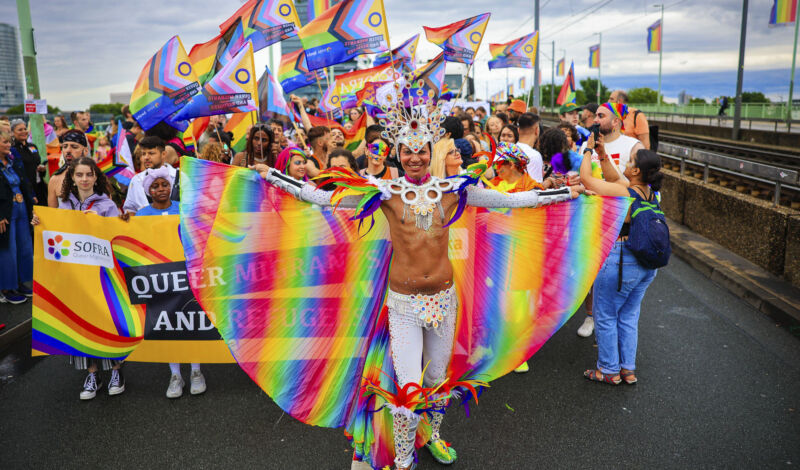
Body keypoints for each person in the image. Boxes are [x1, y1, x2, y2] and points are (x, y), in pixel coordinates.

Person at [255, 98, 582, 470]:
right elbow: (324, 197)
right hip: (404, 305)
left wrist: (563, 193)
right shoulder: (385, 192)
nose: (415, 158)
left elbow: (512, 199)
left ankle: (434, 435)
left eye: (421, 151)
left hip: (444, 300)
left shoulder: (454, 189)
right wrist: (272, 176)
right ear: (398, 154)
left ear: (431, 152)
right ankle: (404, 458)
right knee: (409, 387)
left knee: (438, 379)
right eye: (407, 151)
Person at [32, 156, 125, 399]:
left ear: (96, 177)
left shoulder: (107, 205)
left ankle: (116, 370)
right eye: (79, 175)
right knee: (81, 323)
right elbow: (54, 232)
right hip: (74, 274)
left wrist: (104, 224)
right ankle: (92, 373)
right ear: (72, 178)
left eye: (89, 174)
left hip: (101, 274)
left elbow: (118, 237)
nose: (84, 179)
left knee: (107, 320)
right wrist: (40, 223)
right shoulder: (65, 204)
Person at [579, 139, 663, 385]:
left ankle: (608, 370)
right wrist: (603, 154)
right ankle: (627, 369)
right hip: (646, 265)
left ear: (636, 171)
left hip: (622, 259)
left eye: (631, 161)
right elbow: (614, 178)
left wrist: (587, 150)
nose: (626, 162)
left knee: (605, 316)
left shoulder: (625, 193)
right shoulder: (648, 193)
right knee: (628, 316)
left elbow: (586, 179)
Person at [135, 167, 208, 398]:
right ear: (149, 191)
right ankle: (175, 375)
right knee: (167, 325)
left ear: (171, 186)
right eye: (155, 186)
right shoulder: (141, 215)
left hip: (186, 274)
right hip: (159, 277)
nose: (161, 189)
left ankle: (196, 370)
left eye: (164, 185)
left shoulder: (184, 209)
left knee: (191, 321)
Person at [0, 129, 34, 304]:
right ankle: (6, 288)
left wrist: (31, 202)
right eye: (5, 142)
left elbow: (24, 181)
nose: (9, 145)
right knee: (8, 250)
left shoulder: (12, 160)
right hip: (5, 212)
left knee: (24, 246)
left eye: (9, 142)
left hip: (21, 208)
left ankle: (19, 282)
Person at [123, 136, 178, 214]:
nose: (146, 157)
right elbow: (130, 210)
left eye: (151, 153)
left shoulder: (180, 177)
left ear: (163, 154)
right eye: (143, 154)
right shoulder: (136, 180)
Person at [591, 102, 644, 172]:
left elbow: (639, 177)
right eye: (596, 116)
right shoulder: (587, 145)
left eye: (601, 116)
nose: (595, 120)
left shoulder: (633, 147)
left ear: (615, 121)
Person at [48, 130, 89, 208]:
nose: (68, 150)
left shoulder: (96, 176)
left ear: (85, 151)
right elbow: (52, 212)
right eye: (65, 146)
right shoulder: (55, 179)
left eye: (74, 147)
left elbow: (107, 210)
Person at [10, 119, 46, 205]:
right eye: (20, 130)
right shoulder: (12, 149)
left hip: (39, 186)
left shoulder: (32, 146)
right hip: (25, 189)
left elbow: (37, 163)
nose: (24, 131)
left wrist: (42, 170)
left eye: (25, 129)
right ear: (12, 133)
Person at [517, 113, 544, 183]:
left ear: (518, 130)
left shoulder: (508, 150)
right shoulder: (534, 156)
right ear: (537, 130)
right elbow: (535, 187)